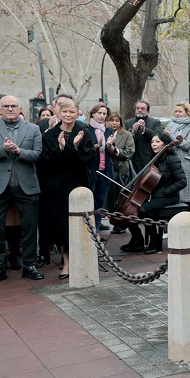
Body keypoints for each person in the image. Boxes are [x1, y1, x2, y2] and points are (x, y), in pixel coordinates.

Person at [0, 95, 44, 284]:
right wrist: (2, 149)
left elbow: (38, 155)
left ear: (20, 108)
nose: (11, 109)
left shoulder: (33, 128)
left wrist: (19, 151)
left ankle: (29, 265)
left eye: (14, 106)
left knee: (30, 227)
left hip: (26, 186)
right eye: (6, 106)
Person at [38, 99, 95, 280]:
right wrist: (61, 147)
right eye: (65, 112)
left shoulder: (84, 133)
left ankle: (80, 260)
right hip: (56, 188)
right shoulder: (49, 136)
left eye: (72, 112)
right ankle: (67, 261)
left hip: (78, 185)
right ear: (59, 114)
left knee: (79, 224)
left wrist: (73, 146)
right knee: (61, 225)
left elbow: (85, 160)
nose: (68, 115)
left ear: (77, 113)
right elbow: (46, 162)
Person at [121, 134, 186, 255]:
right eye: (152, 142)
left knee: (144, 210)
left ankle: (155, 240)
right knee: (129, 211)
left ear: (165, 144)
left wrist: (166, 191)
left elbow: (182, 181)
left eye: (157, 141)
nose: (154, 144)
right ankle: (137, 239)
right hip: (156, 195)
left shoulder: (172, 159)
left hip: (169, 197)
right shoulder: (154, 158)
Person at [104, 113, 135, 233]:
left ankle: (120, 224)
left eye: (117, 121)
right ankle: (113, 220)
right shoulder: (104, 133)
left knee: (120, 197)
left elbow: (130, 152)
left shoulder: (126, 135)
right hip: (106, 169)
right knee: (109, 198)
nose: (114, 123)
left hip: (121, 169)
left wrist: (116, 150)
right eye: (111, 120)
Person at [164, 101, 190, 207]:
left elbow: (187, 145)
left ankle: (188, 214)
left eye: (180, 111)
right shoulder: (171, 124)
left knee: (186, 192)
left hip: (185, 161)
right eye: (176, 111)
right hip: (172, 160)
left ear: (187, 113)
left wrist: (171, 136)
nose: (177, 114)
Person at [85, 103, 112, 231]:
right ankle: (88, 230)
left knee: (100, 202)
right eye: (99, 113)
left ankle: (96, 229)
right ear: (93, 114)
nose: (102, 116)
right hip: (91, 170)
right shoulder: (85, 129)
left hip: (105, 170)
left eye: (104, 114)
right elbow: (85, 150)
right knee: (89, 202)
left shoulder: (108, 130)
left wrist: (111, 146)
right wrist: (97, 145)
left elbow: (111, 152)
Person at [128, 100, 168, 175]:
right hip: (133, 160)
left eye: (142, 108)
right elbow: (125, 140)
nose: (139, 110)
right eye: (137, 108)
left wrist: (145, 129)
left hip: (150, 160)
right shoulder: (128, 123)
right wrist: (132, 131)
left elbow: (159, 136)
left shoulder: (155, 122)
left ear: (147, 111)